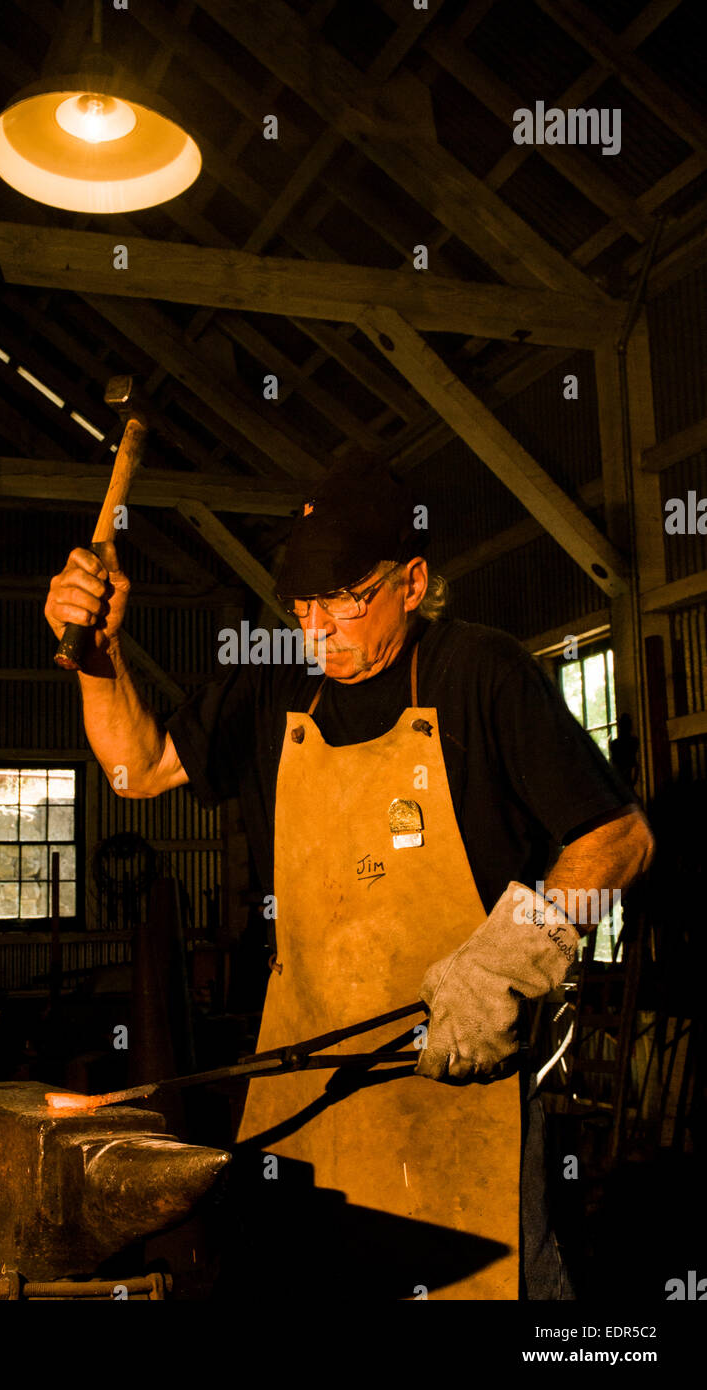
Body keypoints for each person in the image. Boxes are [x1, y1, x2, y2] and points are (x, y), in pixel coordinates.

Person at [44, 460, 654, 1300]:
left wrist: (508, 960)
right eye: (302, 607)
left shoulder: (483, 675)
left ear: (412, 581)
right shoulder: (270, 691)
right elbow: (135, 768)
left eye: (344, 601)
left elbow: (618, 837)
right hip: (307, 1095)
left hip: (459, 1092)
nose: (319, 631)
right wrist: (99, 656)